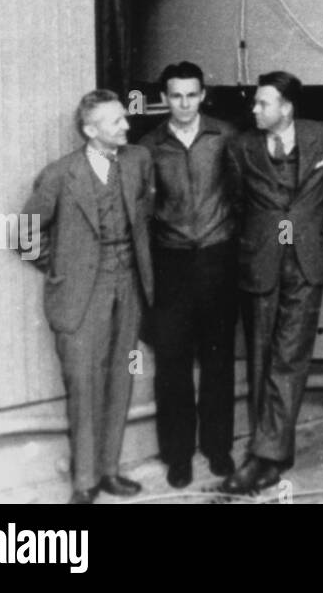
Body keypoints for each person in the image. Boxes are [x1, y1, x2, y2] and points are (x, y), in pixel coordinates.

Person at [20, 89, 156, 504]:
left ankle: (110, 471)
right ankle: (84, 482)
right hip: (81, 295)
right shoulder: (60, 174)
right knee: (83, 385)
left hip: (128, 286)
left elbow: (146, 215)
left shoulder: (138, 161)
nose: (127, 126)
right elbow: (26, 235)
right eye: (116, 121)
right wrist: (63, 267)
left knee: (121, 377)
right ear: (90, 130)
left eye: (124, 118)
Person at [221, 71, 323, 495]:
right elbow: (236, 202)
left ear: (287, 107)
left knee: (289, 359)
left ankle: (263, 457)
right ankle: (272, 453)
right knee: (262, 360)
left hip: (306, 261)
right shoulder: (241, 146)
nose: (254, 109)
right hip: (261, 260)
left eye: (263, 103)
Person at [138, 61, 237, 489]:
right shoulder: (149, 146)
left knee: (218, 360)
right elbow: (143, 210)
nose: (184, 103)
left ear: (203, 95)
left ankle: (218, 447)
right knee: (172, 364)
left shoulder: (225, 136)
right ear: (164, 98)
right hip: (172, 264)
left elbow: (240, 193)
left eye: (191, 95)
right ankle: (177, 455)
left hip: (217, 258)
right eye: (175, 96)